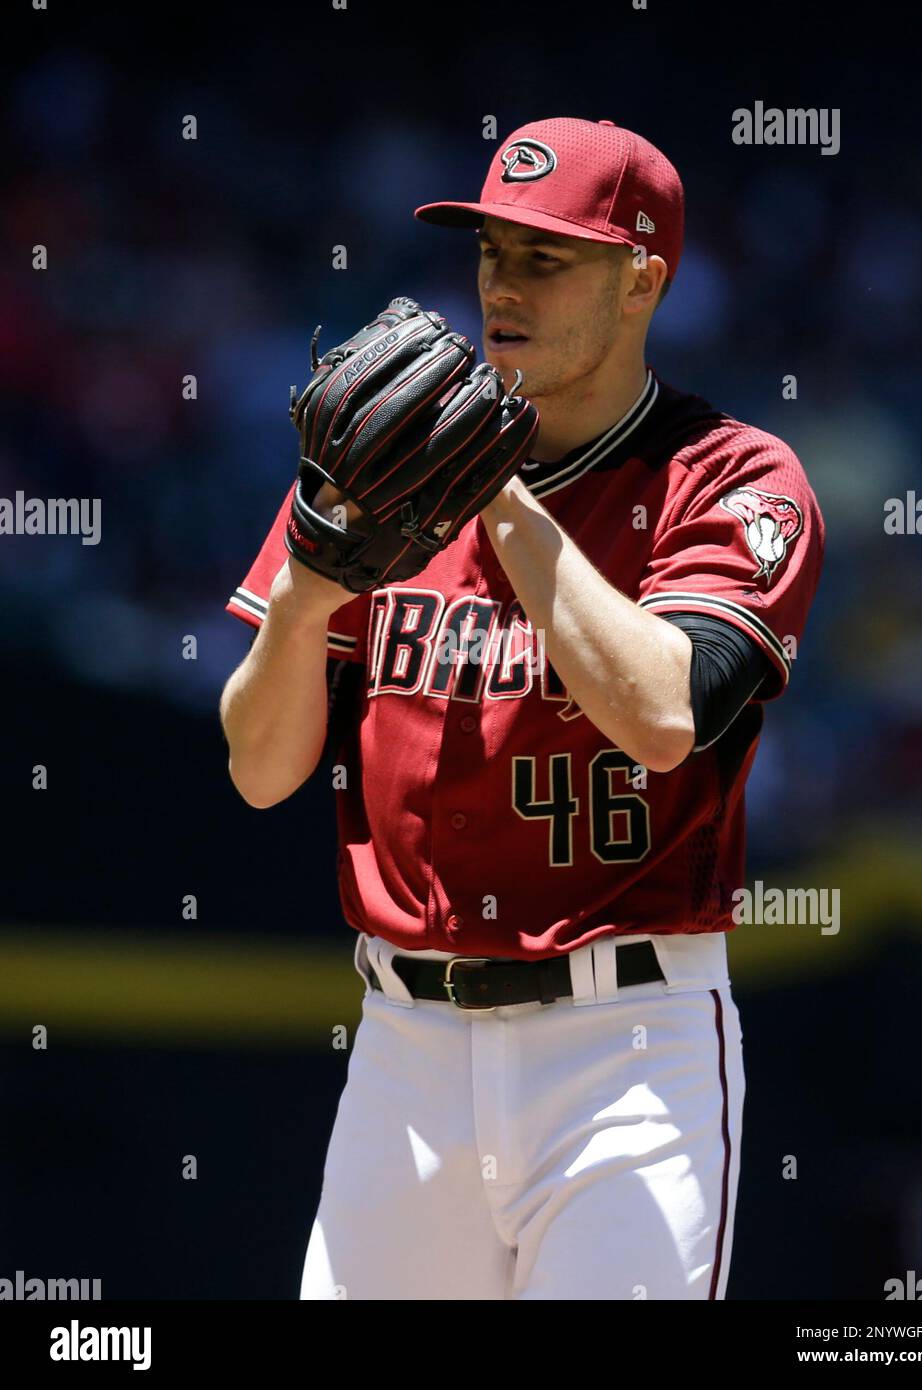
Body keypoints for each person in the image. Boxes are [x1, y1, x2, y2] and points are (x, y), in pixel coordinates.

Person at [219, 116, 824, 1300]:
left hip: (623, 1053)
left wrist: (490, 484)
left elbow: (663, 715)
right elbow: (258, 767)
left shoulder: (732, 477)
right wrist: (304, 597)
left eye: (546, 258)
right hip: (402, 1043)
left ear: (642, 277)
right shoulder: (382, 466)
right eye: (492, 252)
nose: (502, 285)